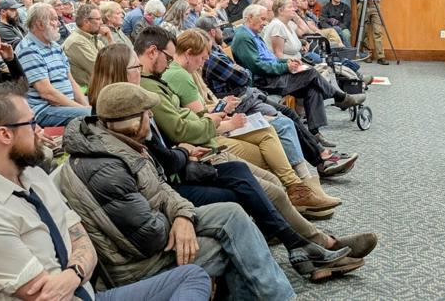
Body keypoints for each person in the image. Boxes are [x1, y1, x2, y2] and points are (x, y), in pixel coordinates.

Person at [59, 81, 330, 296]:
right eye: (146, 113)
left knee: (233, 211)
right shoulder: (107, 169)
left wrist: (182, 214)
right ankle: (284, 286)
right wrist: (179, 220)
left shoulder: (119, 146)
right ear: (132, 122)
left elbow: (161, 188)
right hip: (138, 265)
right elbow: (148, 238)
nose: (150, 117)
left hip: (156, 228)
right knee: (232, 238)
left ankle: (293, 261)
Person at [0, 81, 211, 301]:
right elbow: (48, 296)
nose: (39, 130)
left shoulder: (31, 175)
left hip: (86, 290)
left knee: (193, 277)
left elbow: (80, 236)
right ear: (4, 135)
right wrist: (78, 269)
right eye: (31, 123)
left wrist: (73, 272)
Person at [136, 27, 337, 215]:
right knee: (274, 134)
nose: (204, 63)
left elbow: (195, 113)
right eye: (203, 58)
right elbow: (192, 122)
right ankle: (299, 190)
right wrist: (226, 121)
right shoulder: (176, 77)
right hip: (207, 141)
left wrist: (219, 111)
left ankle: (300, 189)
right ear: (188, 53)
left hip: (208, 134)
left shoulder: (178, 74)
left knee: (280, 123)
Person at [232, 5, 361, 137]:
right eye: (262, 19)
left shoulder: (253, 34)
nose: (265, 23)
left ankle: (315, 134)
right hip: (264, 81)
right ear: (249, 18)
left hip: (271, 76)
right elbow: (258, 66)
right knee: (311, 73)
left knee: (313, 88)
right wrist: (285, 67)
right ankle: (340, 97)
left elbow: (270, 59)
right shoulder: (243, 37)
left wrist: (287, 62)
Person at [17, 3, 90, 127]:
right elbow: (47, 93)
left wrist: (86, 106)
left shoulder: (55, 46)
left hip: (65, 105)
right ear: (39, 24)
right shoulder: (28, 49)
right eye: (54, 20)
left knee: (105, 109)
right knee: (94, 116)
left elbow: (70, 80)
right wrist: (86, 111)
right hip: (44, 110)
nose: (59, 23)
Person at [62, 4, 111, 90]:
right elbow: (103, 69)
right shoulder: (76, 42)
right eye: (98, 19)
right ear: (86, 22)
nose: (102, 22)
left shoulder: (92, 38)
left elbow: (114, 59)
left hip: (98, 88)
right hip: (86, 92)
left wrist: (110, 38)